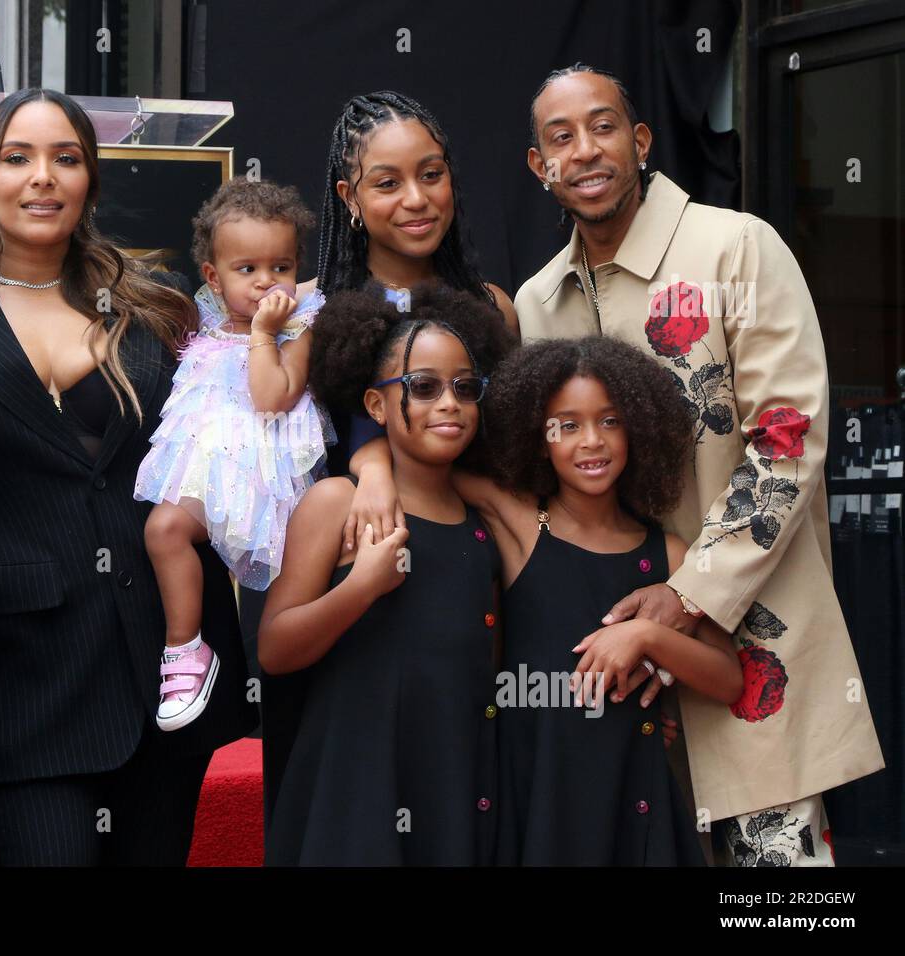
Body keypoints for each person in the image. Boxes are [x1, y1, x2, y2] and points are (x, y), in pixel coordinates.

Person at [514, 63, 884, 865]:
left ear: (640, 141)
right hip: (614, 667)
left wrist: (687, 597)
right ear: (539, 167)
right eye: (561, 138)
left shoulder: (735, 247)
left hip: (747, 645)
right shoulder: (536, 304)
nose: (585, 151)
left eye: (604, 126)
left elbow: (788, 441)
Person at [0, 88, 256, 866]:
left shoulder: (154, 312)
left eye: (66, 158)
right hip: (16, 685)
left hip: (163, 675)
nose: (43, 178)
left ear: (90, 180)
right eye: (19, 158)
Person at [453, 336, 741, 864]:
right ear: (539, 439)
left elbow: (728, 679)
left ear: (638, 429)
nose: (592, 440)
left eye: (611, 421)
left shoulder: (669, 554)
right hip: (536, 790)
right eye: (568, 424)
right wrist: (374, 467)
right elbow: (425, 463)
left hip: (635, 790)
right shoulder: (520, 524)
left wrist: (646, 636)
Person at [258, 282, 513, 865]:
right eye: (422, 387)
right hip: (357, 788)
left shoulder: (483, 523)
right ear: (376, 406)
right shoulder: (335, 502)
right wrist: (362, 586)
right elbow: (274, 649)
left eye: (465, 388)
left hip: (456, 782)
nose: (448, 403)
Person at [134, 179, 333, 730]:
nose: (266, 281)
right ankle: (185, 649)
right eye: (247, 269)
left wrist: (265, 331)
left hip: (269, 483)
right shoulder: (206, 322)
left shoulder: (298, 325)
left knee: (270, 610)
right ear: (214, 280)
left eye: (282, 266)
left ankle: (295, 710)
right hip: (210, 471)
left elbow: (273, 397)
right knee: (163, 529)